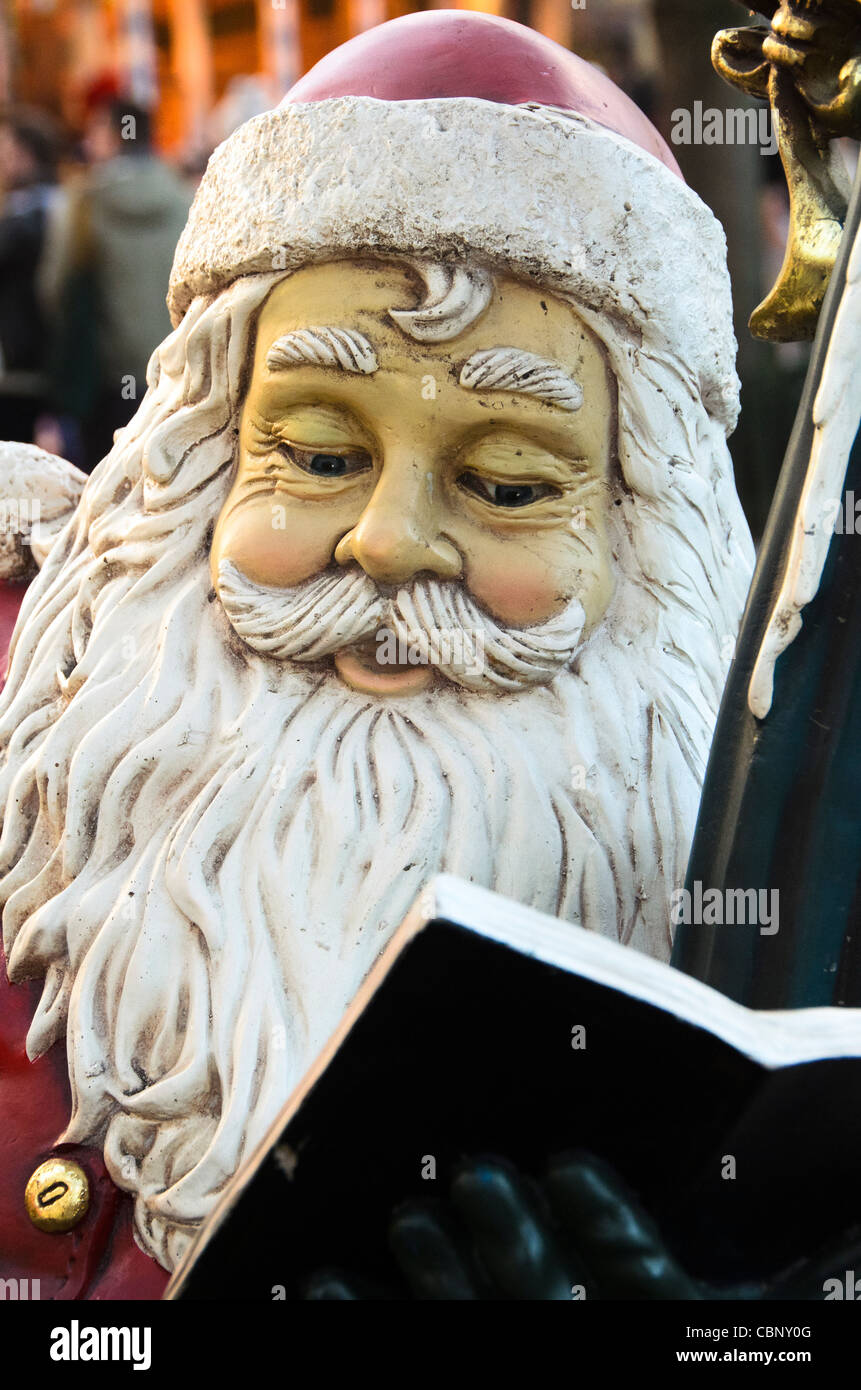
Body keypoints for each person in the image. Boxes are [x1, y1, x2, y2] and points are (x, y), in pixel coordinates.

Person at [0, 11, 753, 1293]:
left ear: (647, 539)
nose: (391, 542)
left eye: (510, 482)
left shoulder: (775, 839)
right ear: (195, 463)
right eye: (322, 456)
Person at [48, 98, 191, 470]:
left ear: (113, 137)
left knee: (109, 490)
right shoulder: (183, 198)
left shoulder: (83, 202)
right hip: (175, 372)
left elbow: (55, 288)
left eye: (95, 131)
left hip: (106, 381)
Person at [0, 110, 61, 445]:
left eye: (7, 153)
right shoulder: (61, 206)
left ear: (26, 155)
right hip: (51, 359)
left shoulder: (26, 219)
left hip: (23, 365)